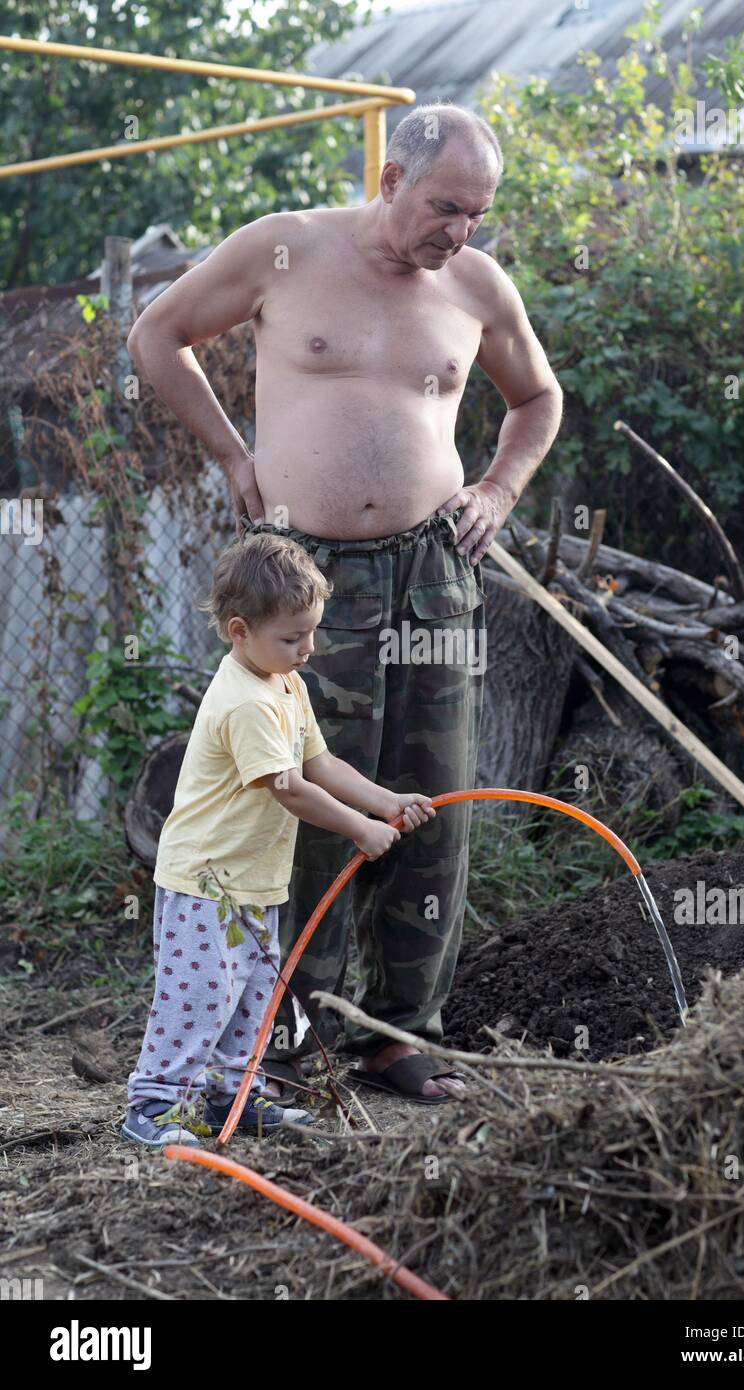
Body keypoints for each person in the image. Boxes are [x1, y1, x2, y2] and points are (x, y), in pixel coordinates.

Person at [127, 101, 563, 1102]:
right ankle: (290, 1035)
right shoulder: (286, 249)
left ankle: (399, 1033)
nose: (457, 231)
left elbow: (537, 399)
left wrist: (496, 486)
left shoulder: (475, 285)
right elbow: (159, 335)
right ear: (389, 179)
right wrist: (232, 454)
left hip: (431, 572)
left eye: (475, 213)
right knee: (310, 804)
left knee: (432, 802)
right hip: (305, 579)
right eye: (445, 206)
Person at [122, 532, 436, 1146]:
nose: (308, 650)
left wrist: (385, 802)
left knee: (252, 999)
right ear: (239, 630)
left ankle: (230, 1096)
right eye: (292, 638)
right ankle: (154, 1103)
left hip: (254, 883)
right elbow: (290, 789)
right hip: (205, 884)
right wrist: (360, 831)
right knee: (203, 995)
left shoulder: (284, 684)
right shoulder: (245, 702)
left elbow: (320, 764)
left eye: (311, 633)